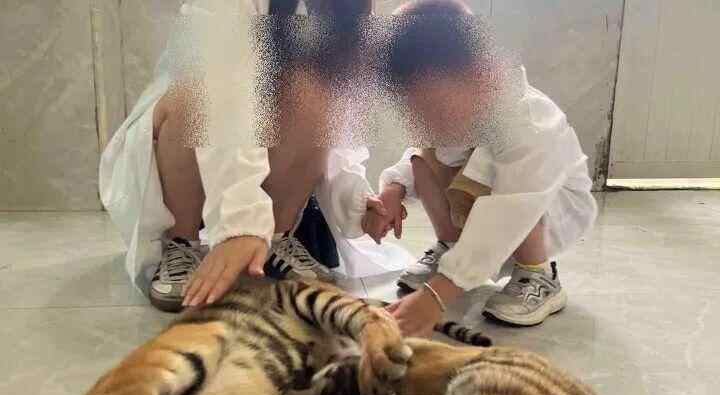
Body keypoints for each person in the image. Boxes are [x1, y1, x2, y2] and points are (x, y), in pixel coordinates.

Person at [99, 0, 410, 313]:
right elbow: (223, 96)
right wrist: (242, 224)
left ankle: (277, 238)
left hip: (264, 155)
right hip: (185, 147)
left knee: (317, 96)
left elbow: (339, 131)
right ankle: (181, 243)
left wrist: (357, 203)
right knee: (195, 90)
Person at [363, 0, 597, 337]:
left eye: (431, 108)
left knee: (514, 194)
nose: (423, 121)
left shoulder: (529, 123)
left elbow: (510, 211)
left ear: (479, 76)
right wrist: (393, 191)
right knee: (423, 156)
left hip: (546, 209)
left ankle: (538, 274)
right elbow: (416, 156)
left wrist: (437, 295)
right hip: (492, 202)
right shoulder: (463, 107)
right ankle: (451, 248)